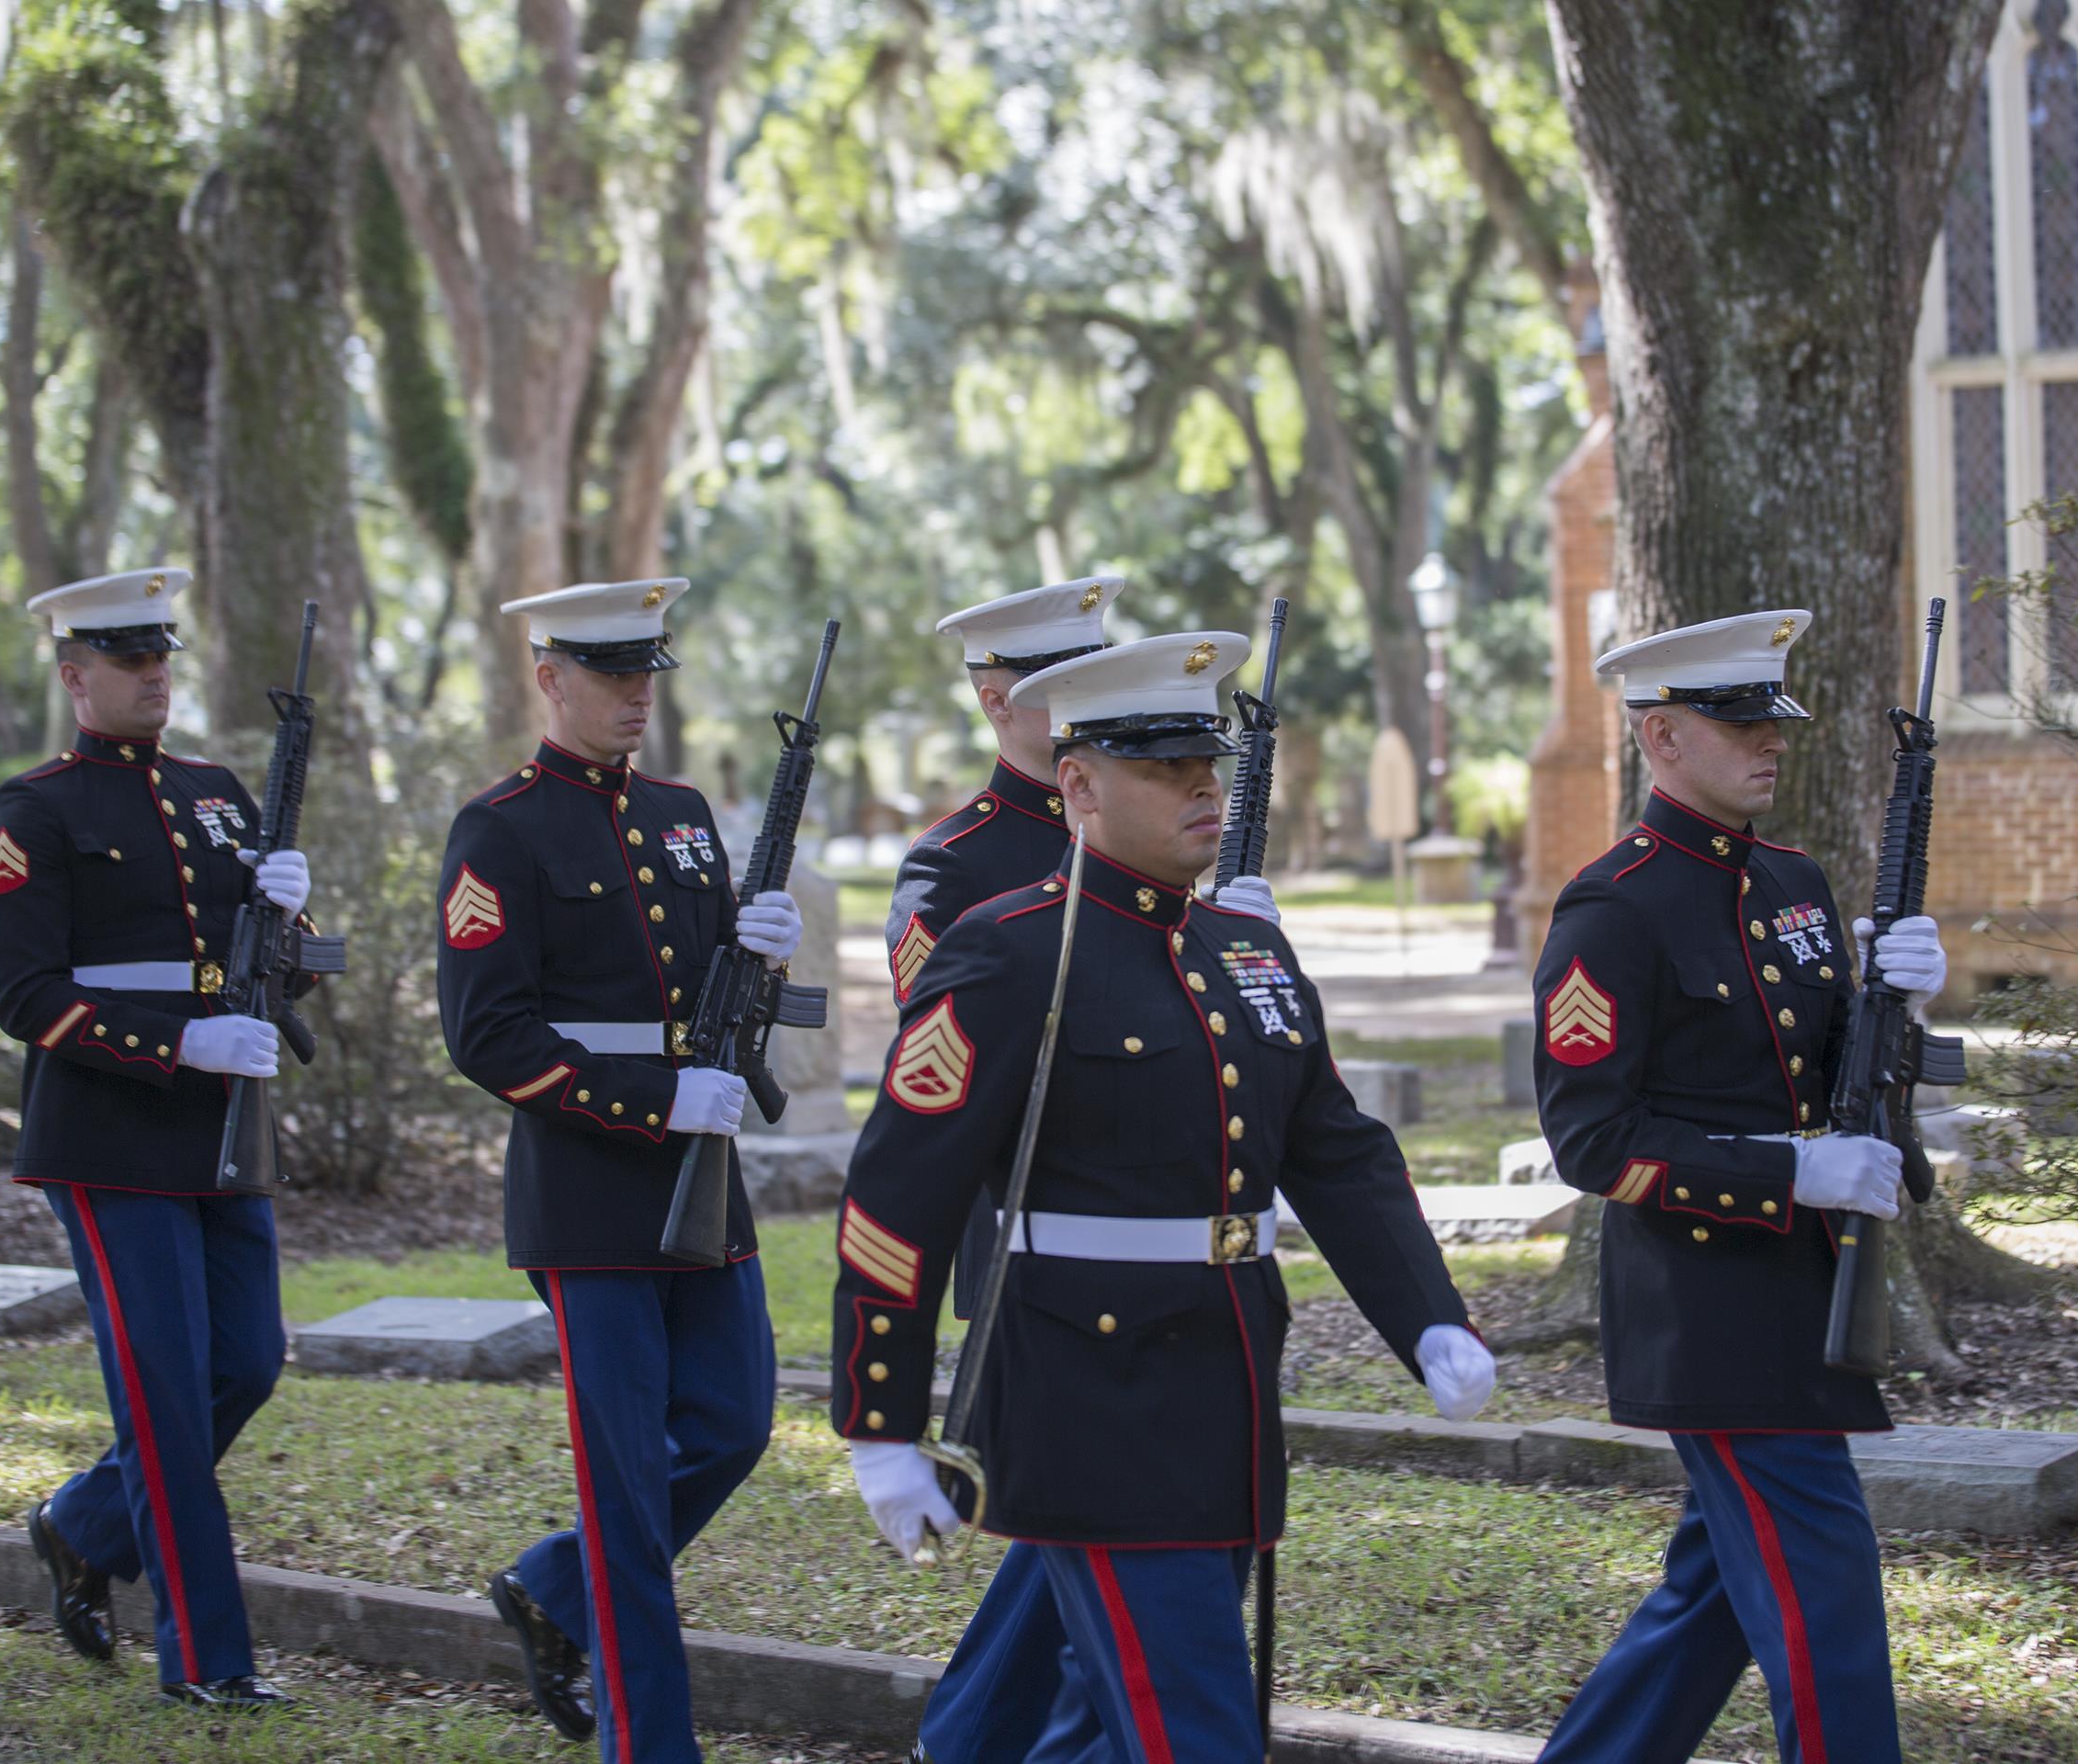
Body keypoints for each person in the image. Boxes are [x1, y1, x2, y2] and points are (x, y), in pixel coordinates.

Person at [830, 630, 1494, 1764]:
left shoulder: (1249, 949)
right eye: (1160, 763)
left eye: (1206, 759)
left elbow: (1335, 1151)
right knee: (1194, 1727)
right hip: (1087, 1390)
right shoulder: (1006, 953)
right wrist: (879, 1423)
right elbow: (899, 1199)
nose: (1201, 783)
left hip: (1222, 1384)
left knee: (1105, 1721)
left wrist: (1426, 1313)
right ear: (1078, 785)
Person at [1529, 609, 1948, 1764]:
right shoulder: (1614, 909)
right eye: (1738, 721)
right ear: (1662, 738)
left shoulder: (1795, 881)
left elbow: (1832, 1071)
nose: (1770, 742)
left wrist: (1901, 1007)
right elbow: (1593, 1140)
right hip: (1710, 1308)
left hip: (1798, 1294)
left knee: (1709, 1603)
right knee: (1830, 1614)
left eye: (1774, 719)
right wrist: (1790, 1170)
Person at [436, 577, 806, 1763]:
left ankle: (554, 1584)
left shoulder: (686, 813)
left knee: (738, 1421)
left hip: (703, 1176)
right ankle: (651, 1745)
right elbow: (489, 1036)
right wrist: (654, 1103)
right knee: (629, 1488)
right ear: (550, 678)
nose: (637, 694)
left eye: (648, 671)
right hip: (590, 1189)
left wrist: (753, 952)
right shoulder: (500, 829)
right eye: (612, 674)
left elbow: (698, 983)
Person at [0, 568, 320, 1709]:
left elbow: (263, 955)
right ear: (76, 678)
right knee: (168, 1395)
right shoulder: (36, 808)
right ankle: (210, 1658)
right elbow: (25, 995)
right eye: (128, 661)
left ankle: (81, 1527)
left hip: (219, 1131)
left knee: (247, 1362)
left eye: (161, 655)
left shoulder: (220, 791)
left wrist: (291, 909)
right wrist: (179, 1045)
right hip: (108, 1136)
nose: (153, 674)